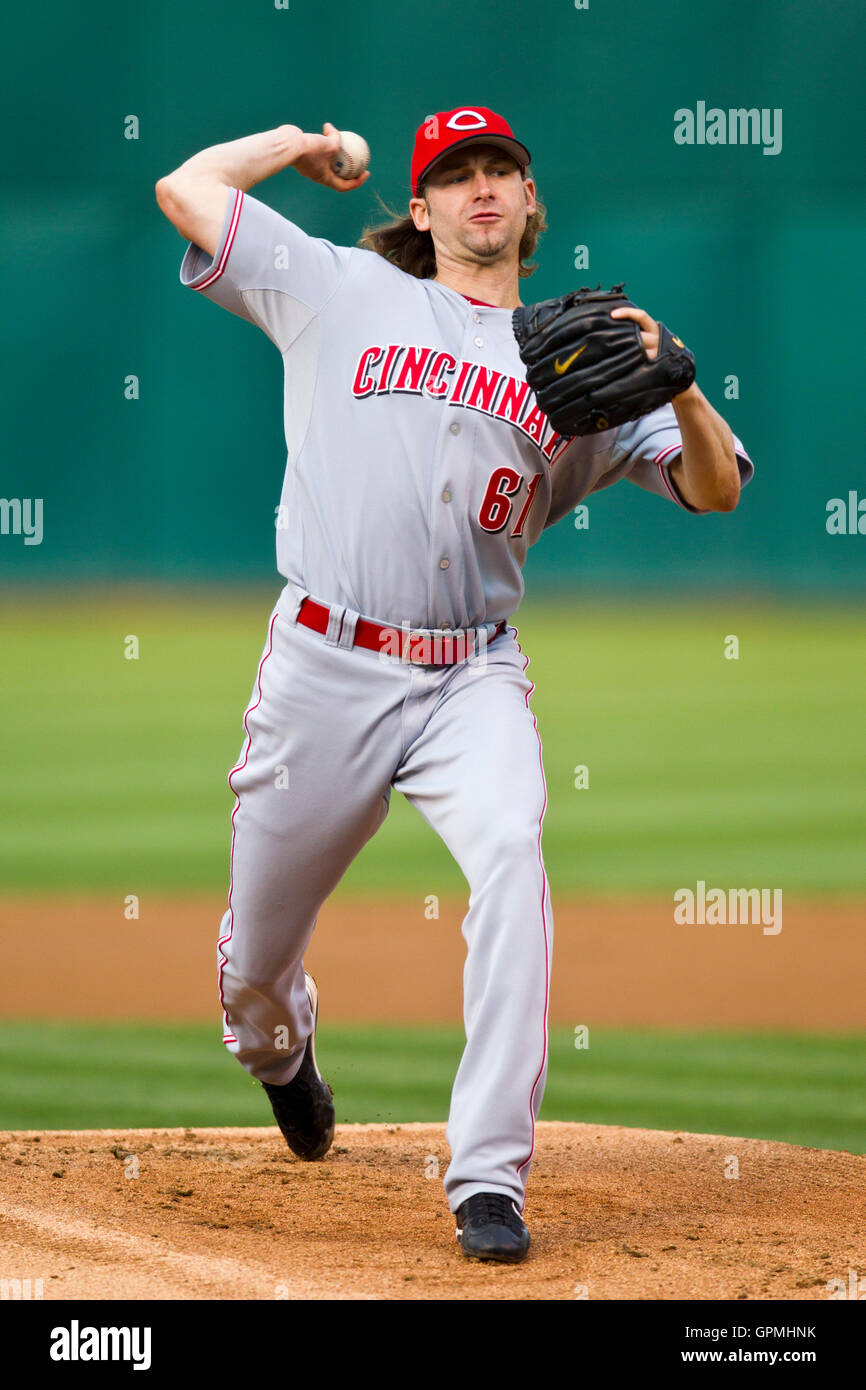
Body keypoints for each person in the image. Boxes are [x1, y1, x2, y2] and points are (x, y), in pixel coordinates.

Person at [155, 105, 753, 1264]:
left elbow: (716, 488)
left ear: (530, 205)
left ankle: (486, 1178)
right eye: (457, 174)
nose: (483, 188)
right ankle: (282, 1052)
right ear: (419, 208)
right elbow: (185, 188)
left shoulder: (582, 359)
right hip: (324, 666)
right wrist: (296, 143)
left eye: (502, 171)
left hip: (470, 672)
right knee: (250, 979)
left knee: (511, 849)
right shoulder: (339, 289)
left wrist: (679, 385)